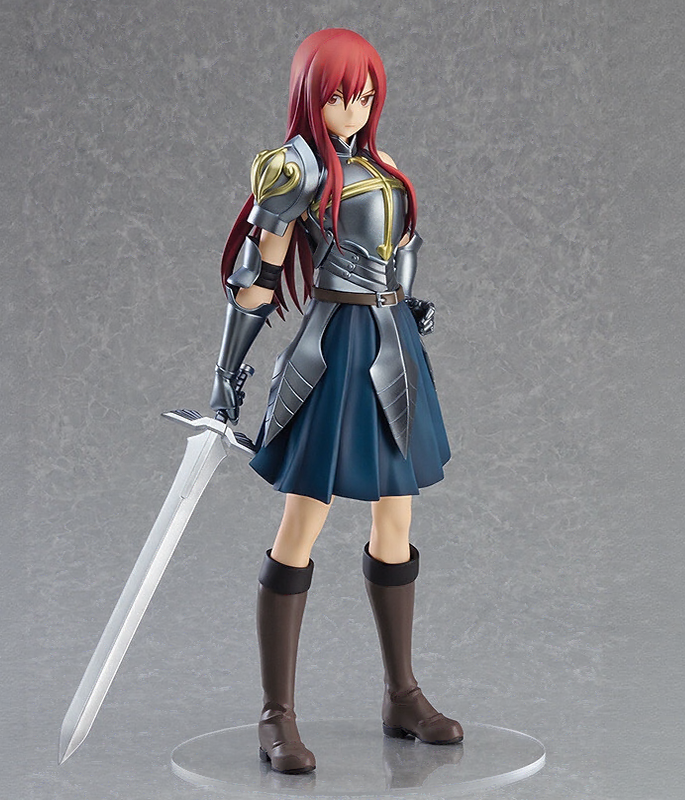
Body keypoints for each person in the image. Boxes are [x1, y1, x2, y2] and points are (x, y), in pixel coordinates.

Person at [210, 28, 463, 775]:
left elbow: (396, 251)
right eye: (340, 95)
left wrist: (407, 303)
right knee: (304, 518)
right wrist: (226, 375)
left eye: (366, 94)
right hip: (334, 350)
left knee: (396, 515)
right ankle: (276, 715)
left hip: (392, 345)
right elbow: (257, 279)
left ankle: (402, 695)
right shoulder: (296, 171)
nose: (354, 108)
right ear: (311, 96)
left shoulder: (381, 166)